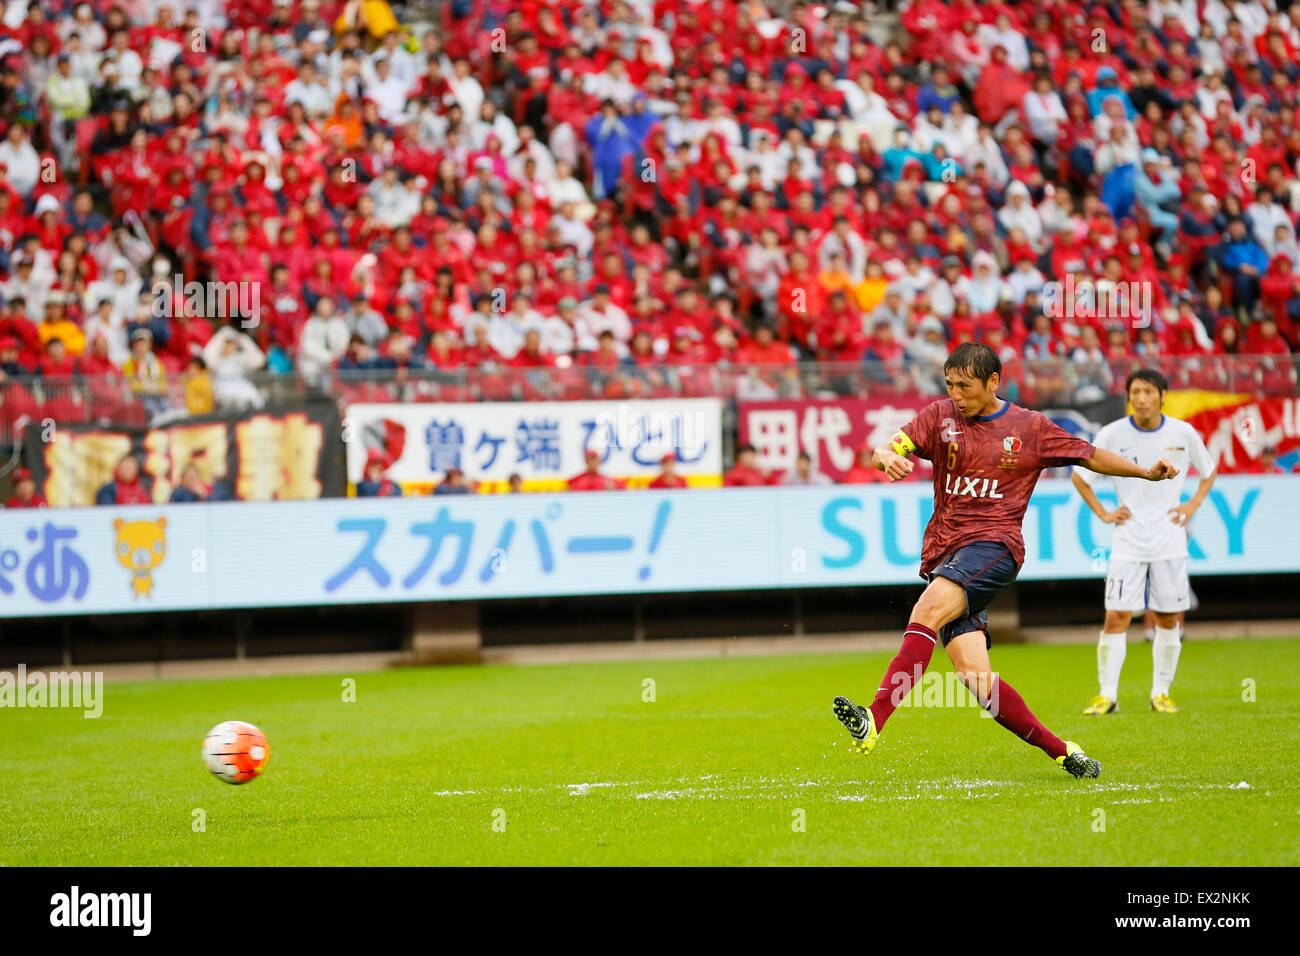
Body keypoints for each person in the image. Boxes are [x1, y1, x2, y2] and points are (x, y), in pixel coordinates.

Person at [832, 343, 1180, 778]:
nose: (956, 394)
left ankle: (873, 718)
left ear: (993, 382)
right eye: (949, 385)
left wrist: (1146, 471)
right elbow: (891, 447)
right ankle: (1065, 752)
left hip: (995, 546)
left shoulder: (1029, 427)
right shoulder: (939, 417)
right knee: (977, 680)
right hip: (947, 550)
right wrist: (886, 457)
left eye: (965, 386)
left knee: (926, 611)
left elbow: (1089, 454)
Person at [1072, 369, 1217, 715]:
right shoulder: (1112, 434)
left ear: (1163, 395)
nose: (1141, 398)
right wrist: (1105, 514)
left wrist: (1193, 504)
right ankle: (1107, 695)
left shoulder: (1182, 432)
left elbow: (1208, 470)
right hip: (1129, 540)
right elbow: (1081, 476)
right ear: (1128, 397)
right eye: (1135, 391)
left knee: (1169, 618)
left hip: (1170, 537)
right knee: (1116, 616)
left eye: (1148, 392)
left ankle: (1160, 693)